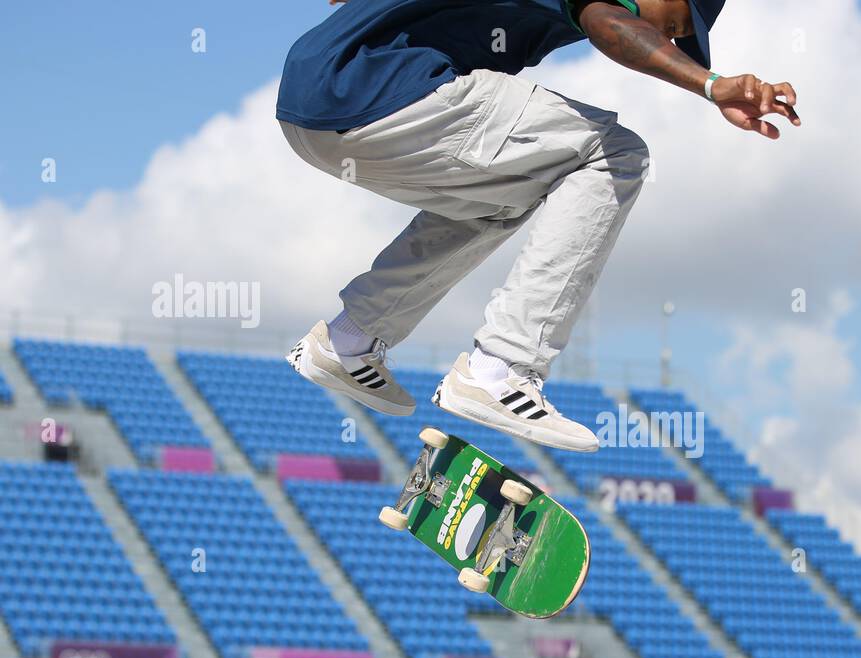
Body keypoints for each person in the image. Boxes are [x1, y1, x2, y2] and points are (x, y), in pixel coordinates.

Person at [279, 0, 799, 451]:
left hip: (319, 111)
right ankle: (502, 368)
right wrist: (708, 84)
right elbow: (605, 20)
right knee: (612, 153)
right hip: (379, 91)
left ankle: (349, 340)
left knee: (506, 191)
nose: (672, 38)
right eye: (680, 22)